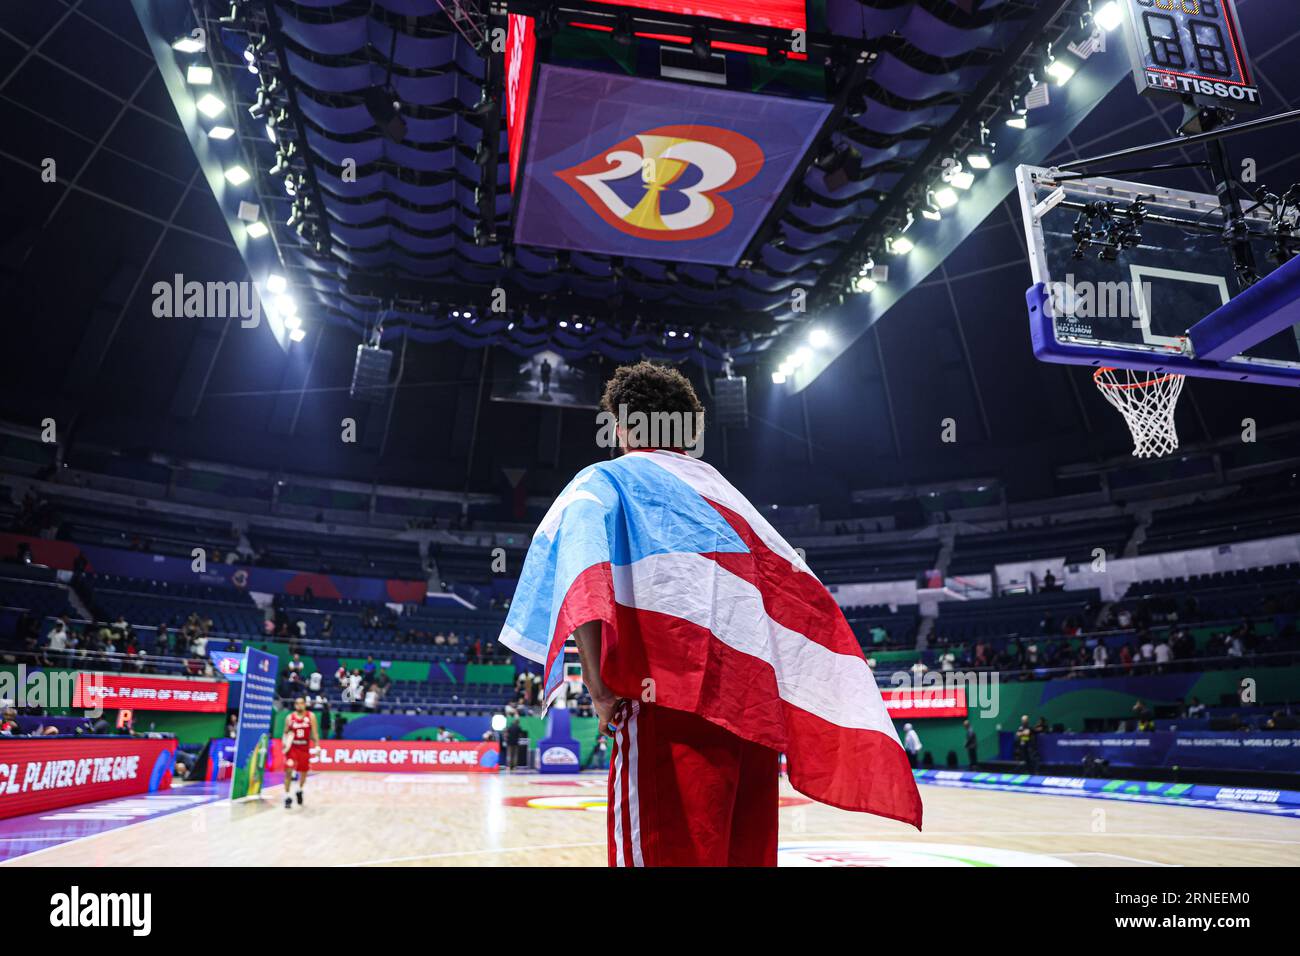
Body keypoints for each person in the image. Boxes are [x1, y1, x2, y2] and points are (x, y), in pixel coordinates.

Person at [503, 365, 921, 867]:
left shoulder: (604, 480)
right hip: (752, 718)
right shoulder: (731, 500)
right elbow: (796, 599)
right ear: (689, 431)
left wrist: (596, 685)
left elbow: (583, 579)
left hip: (665, 704)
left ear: (621, 427)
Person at [281, 696, 319, 809]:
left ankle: (299, 790)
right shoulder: (289, 717)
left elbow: (315, 733)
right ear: (295, 705)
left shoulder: (311, 716)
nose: (299, 705)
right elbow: (285, 733)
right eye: (297, 703)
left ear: (305, 704)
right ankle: (287, 797)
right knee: (288, 771)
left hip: (304, 747)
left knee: (303, 772)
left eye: (301, 703)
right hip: (293, 747)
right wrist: (285, 744)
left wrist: (317, 745)